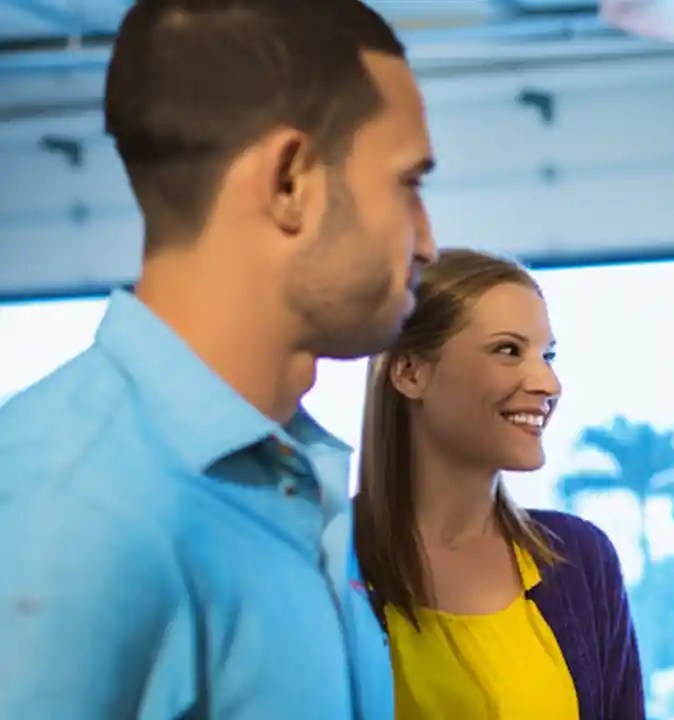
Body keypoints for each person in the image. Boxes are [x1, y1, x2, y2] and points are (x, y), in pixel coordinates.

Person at [0, 1, 435, 717]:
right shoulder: (67, 517)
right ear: (291, 181)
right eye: (409, 184)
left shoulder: (291, 484)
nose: (427, 242)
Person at [352, 247, 645, 719]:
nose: (548, 382)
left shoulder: (579, 559)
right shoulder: (326, 560)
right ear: (409, 372)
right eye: (508, 350)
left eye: (547, 355)